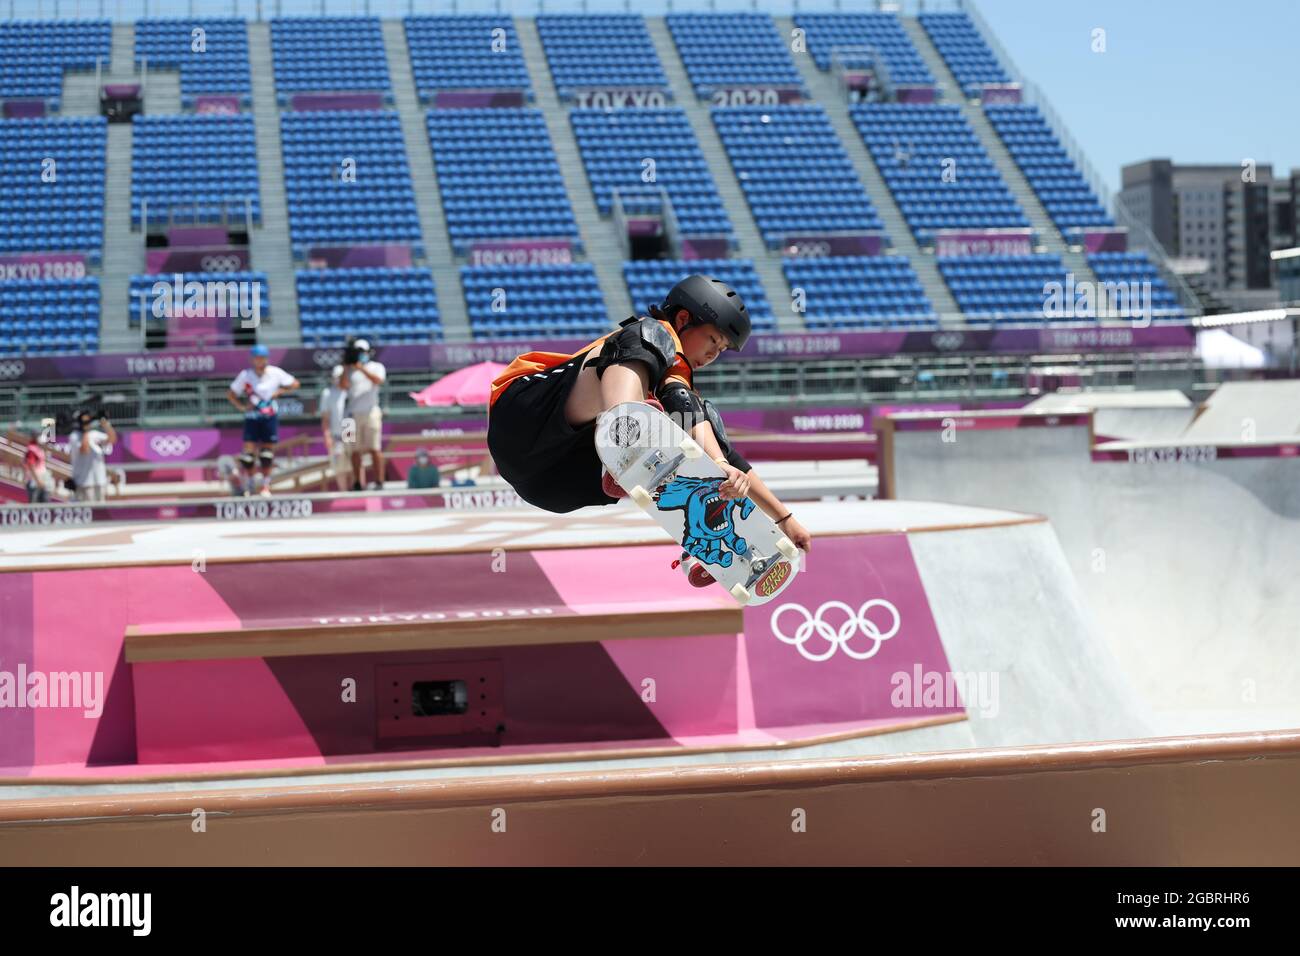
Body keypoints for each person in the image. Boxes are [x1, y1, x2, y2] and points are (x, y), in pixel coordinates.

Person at [486, 274, 811, 583]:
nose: (713, 354)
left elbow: (716, 444)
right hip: (522, 420)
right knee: (650, 341)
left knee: (699, 418)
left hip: (553, 482)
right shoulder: (652, 334)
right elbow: (651, 349)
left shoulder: (677, 382)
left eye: (722, 350)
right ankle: (625, 432)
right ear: (684, 319)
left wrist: (784, 519)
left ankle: (706, 543)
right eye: (713, 340)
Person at [227, 344, 299, 497]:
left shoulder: (275, 373)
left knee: (267, 455)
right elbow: (231, 394)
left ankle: (265, 487)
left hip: (269, 417)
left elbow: (295, 383)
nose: (260, 361)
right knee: (248, 455)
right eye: (257, 358)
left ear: (266, 359)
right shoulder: (245, 375)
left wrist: (280, 391)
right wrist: (241, 407)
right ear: (252, 360)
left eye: (262, 358)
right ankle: (251, 484)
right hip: (252, 418)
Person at [341, 338, 387, 490]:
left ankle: (379, 481)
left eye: (362, 352)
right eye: (357, 352)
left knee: (375, 448)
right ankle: (357, 482)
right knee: (353, 451)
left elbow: (378, 381)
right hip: (351, 415)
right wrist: (346, 367)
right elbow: (343, 386)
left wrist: (361, 368)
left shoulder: (376, 366)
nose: (360, 355)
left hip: (371, 411)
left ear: (368, 352)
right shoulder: (348, 370)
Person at [68, 410, 116, 503]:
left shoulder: (94, 434)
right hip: (84, 483)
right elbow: (85, 450)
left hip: (99, 482)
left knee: (100, 514)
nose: (87, 424)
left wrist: (106, 424)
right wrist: (85, 430)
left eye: (88, 421)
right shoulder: (74, 436)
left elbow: (112, 439)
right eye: (85, 422)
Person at [318, 365, 352, 492]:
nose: (338, 380)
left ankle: (358, 491)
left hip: (350, 431)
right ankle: (344, 492)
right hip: (336, 435)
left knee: (355, 465)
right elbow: (325, 418)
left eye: (340, 377)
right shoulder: (327, 393)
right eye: (336, 377)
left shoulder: (350, 391)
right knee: (339, 467)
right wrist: (327, 435)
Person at [22, 426, 54, 503]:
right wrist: (38, 481)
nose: (39, 437)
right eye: (37, 435)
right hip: (35, 481)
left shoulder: (38, 448)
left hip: (41, 480)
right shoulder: (31, 450)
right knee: (35, 505)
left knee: (45, 503)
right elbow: (31, 466)